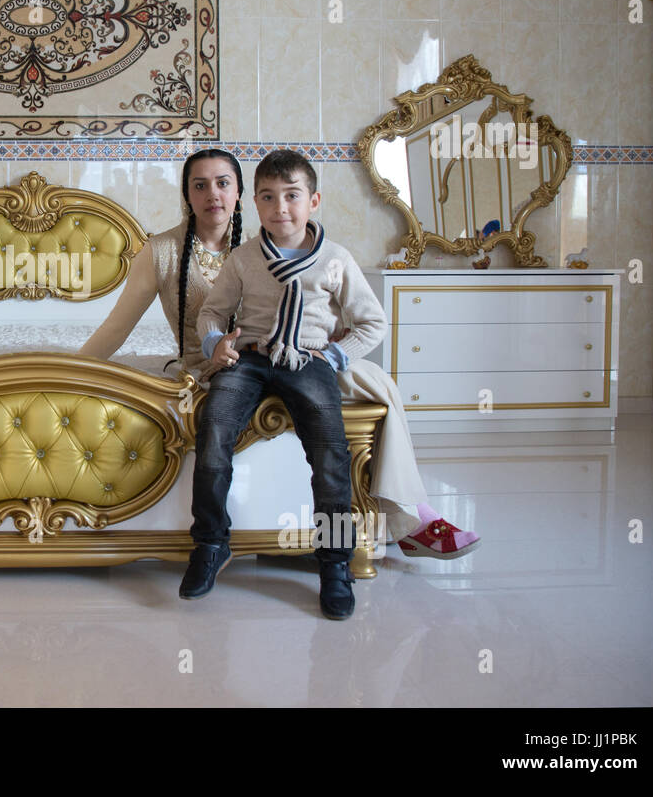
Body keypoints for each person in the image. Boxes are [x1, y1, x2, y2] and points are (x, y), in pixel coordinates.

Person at [80, 149, 479, 607]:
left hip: (301, 358)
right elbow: (121, 325)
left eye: (224, 183)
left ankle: (399, 518)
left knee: (377, 387)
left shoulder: (271, 242)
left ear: (241, 194)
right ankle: (406, 517)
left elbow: (333, 306)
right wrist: (71, 369)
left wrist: (332, 344)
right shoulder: (172, 250)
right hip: (222, 364)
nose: (213, 194)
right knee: (375, 386)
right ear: (187, 195)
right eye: (200, 185)